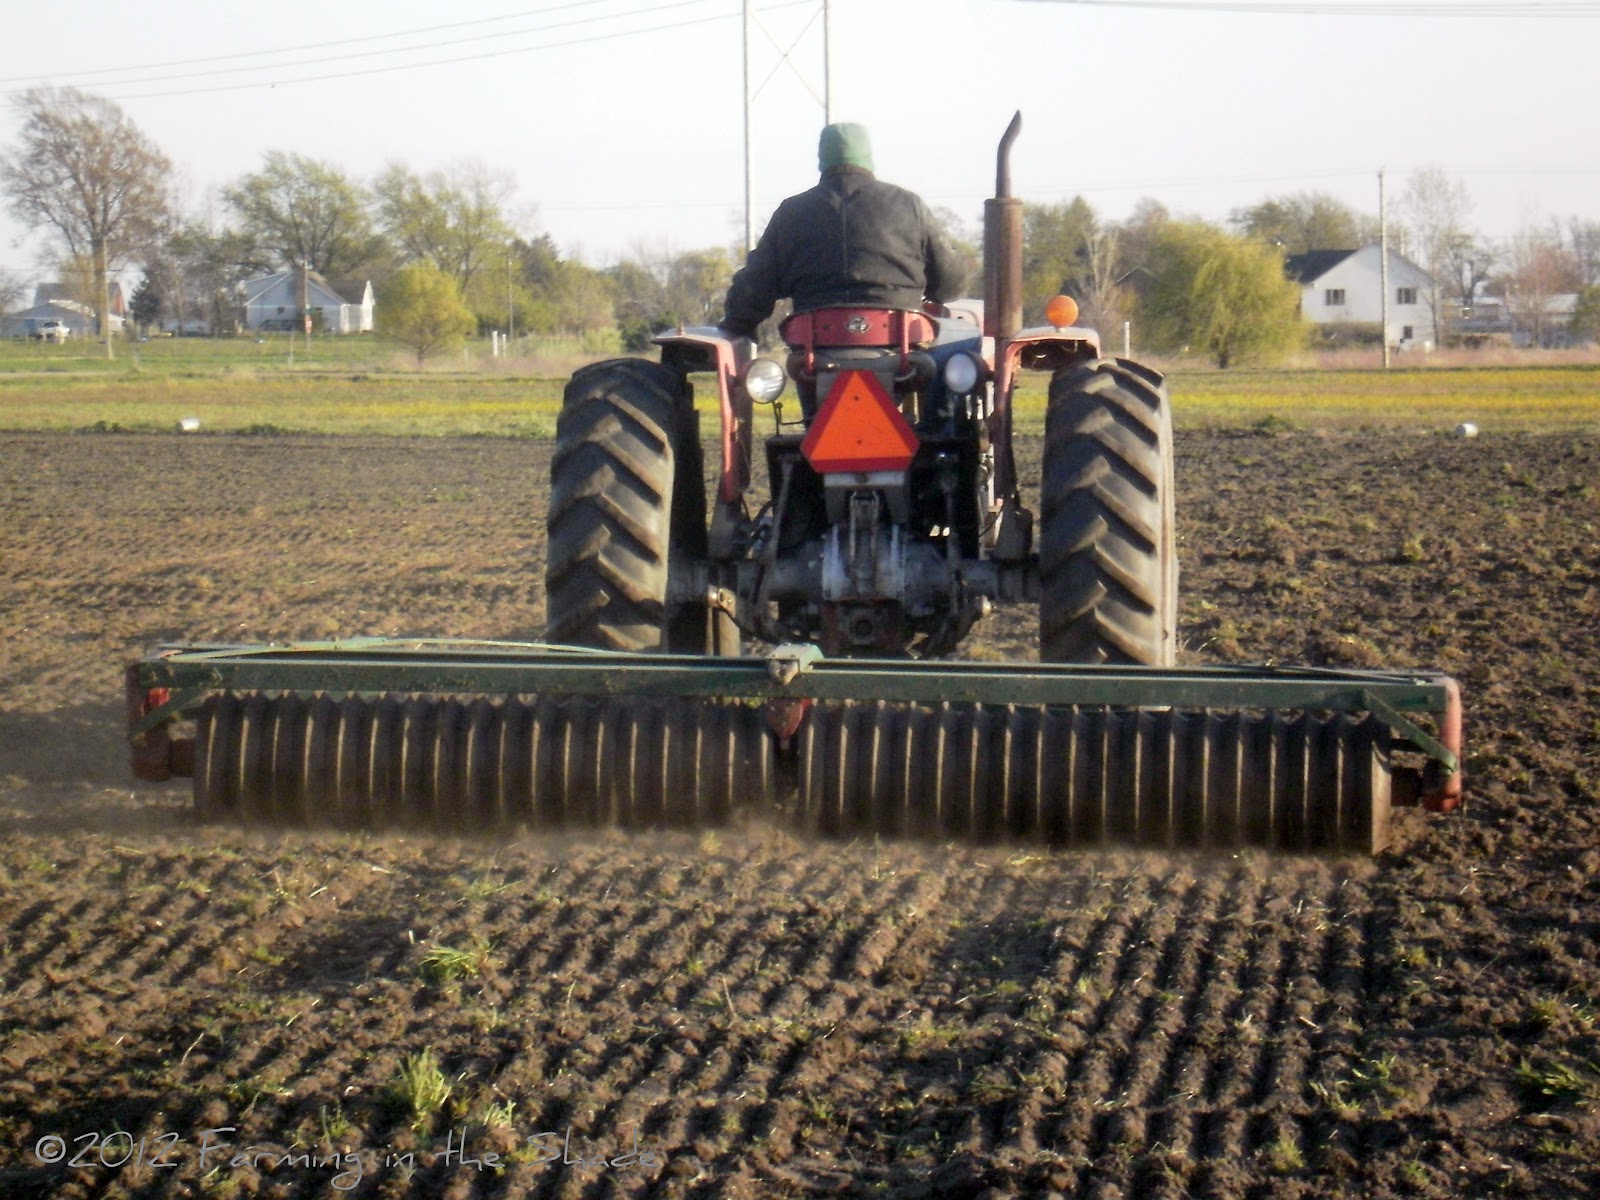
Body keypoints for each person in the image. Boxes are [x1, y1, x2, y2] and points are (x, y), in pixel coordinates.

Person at [720, 122, 966, 340]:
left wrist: (738, 324)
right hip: (902, 349)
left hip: (815, 354)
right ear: (869, 156)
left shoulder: (791, 212)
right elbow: (949, 285)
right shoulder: (909, 205)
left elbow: (755, 286)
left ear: (821, 158)